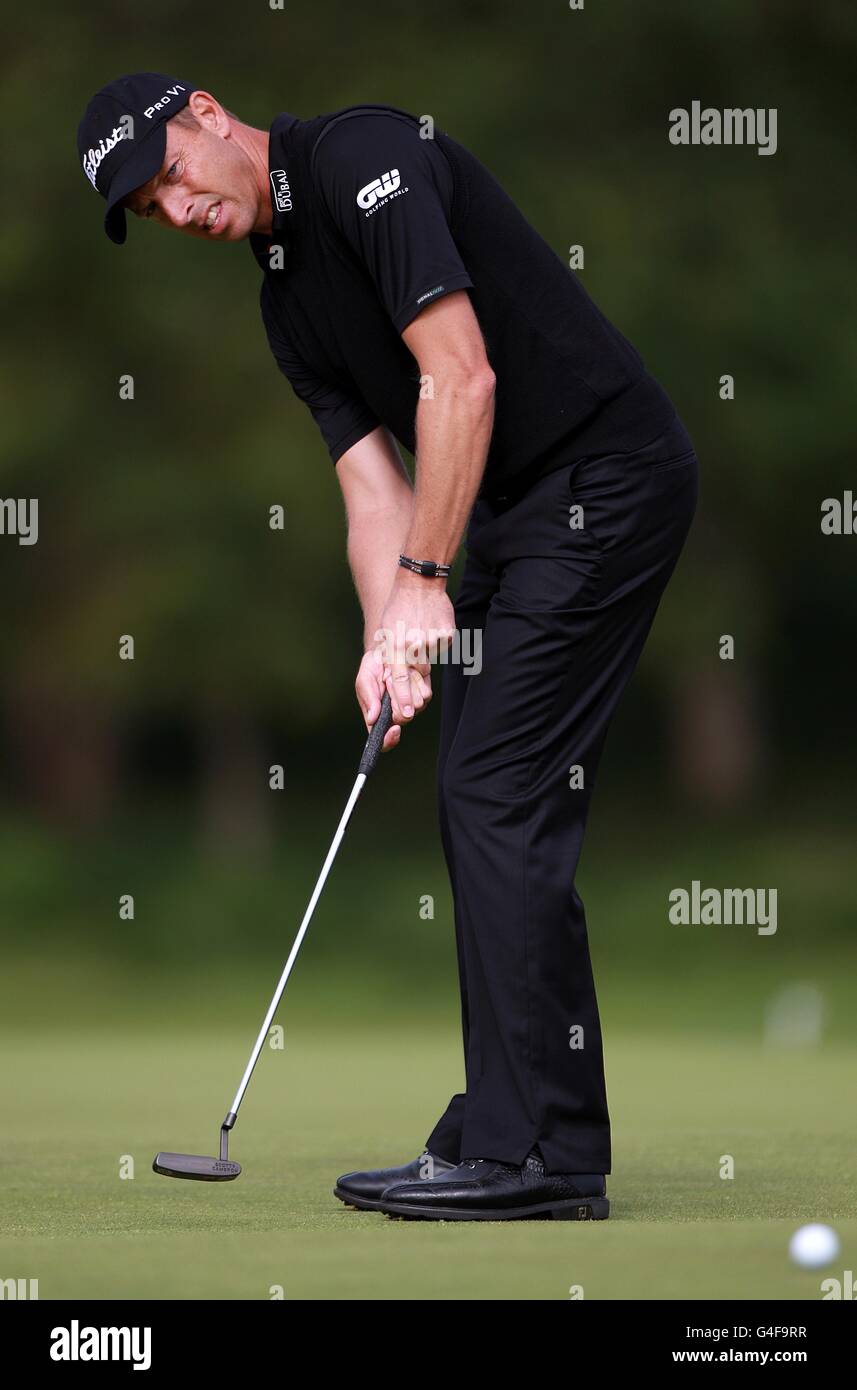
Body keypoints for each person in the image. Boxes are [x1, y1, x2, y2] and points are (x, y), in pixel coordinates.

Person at [78, 72, 698, 1221]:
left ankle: (544, 1156)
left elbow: (459, 376)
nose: (175, 208)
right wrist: (386, 636)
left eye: (168, 173)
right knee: (478, 793)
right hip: (510, 513)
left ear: (208, 114)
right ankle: (498, 1128)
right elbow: (375, 492)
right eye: (149, 207)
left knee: (495, 785)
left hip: (604, 478)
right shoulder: (282, 306)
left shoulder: (365, 156)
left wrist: (426, 582)